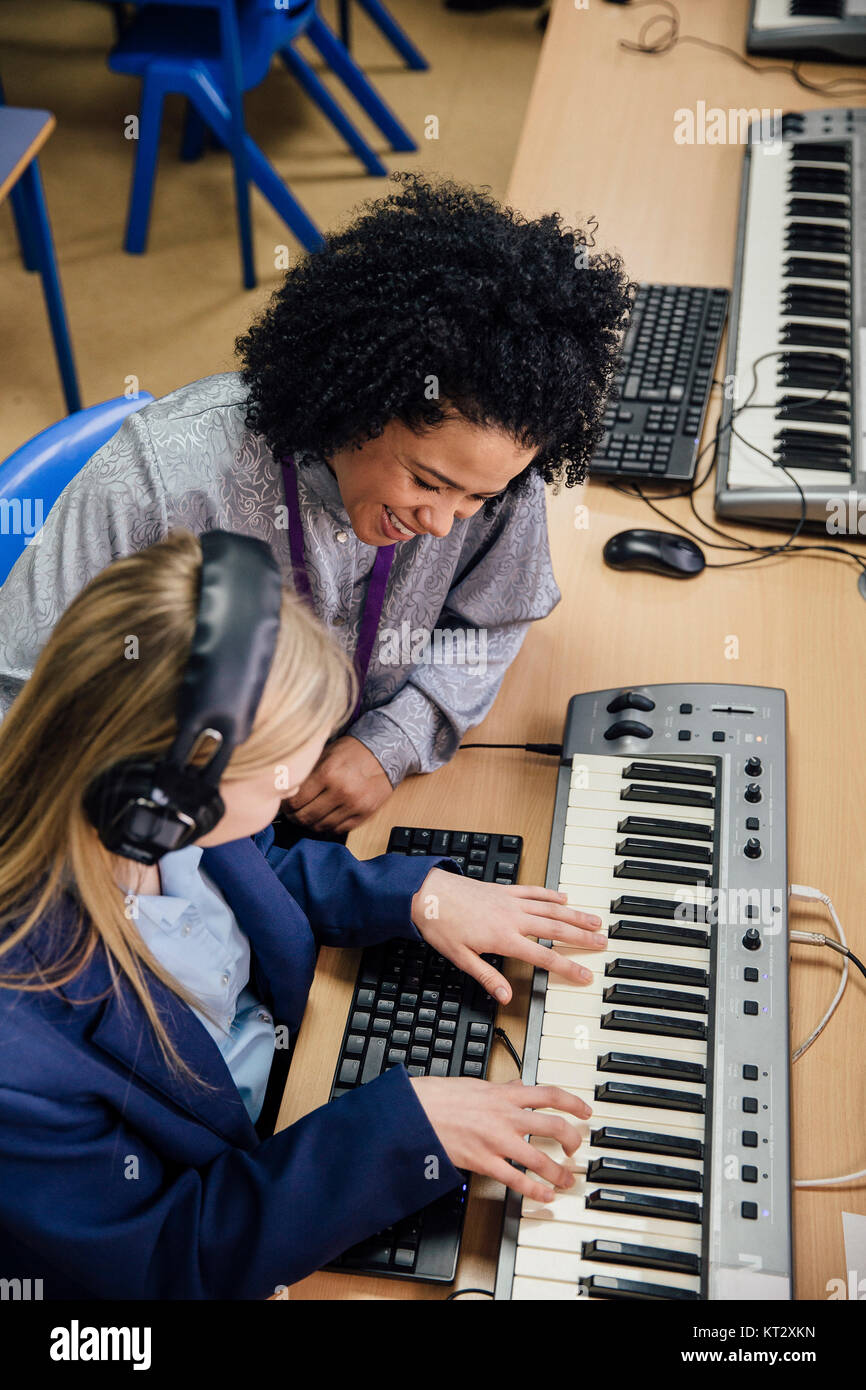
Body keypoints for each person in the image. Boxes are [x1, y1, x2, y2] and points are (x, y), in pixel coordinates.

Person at [0, 529, 607, 1300]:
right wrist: (397, 1134)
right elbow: (163, 1259)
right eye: (281, 765)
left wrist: (417, 896)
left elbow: (257, 870)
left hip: (297, 1073)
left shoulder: (141, 816)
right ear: (170, 791)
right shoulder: (17, 1066)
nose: (294, 790)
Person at [0, 173, 632, 837]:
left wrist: (394, 738)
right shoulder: (160, 479)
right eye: (425, 482)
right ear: (360, 405)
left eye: (479, 497)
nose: (445, 522)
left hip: (340, 807)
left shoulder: (491, 460)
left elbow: (496, 616)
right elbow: (16, 698)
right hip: (181, 823)